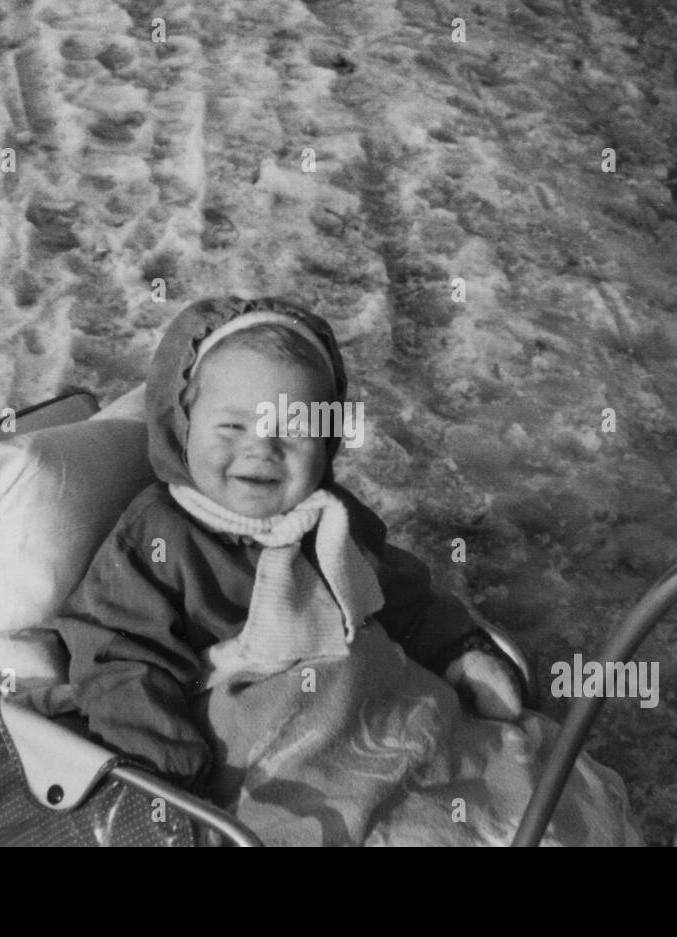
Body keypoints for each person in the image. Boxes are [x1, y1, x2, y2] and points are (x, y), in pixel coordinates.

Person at [51, 295, 640, 845]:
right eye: (232, 427)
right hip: (264, 741)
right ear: (184, 424)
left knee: (522, 785)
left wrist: (459, 651)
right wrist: (167, 778)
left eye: (294, 428)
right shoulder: (159, 534)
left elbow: (401, 598)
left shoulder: (333, 518)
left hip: (381, 701)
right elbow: (121, 660)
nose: (262, 448)